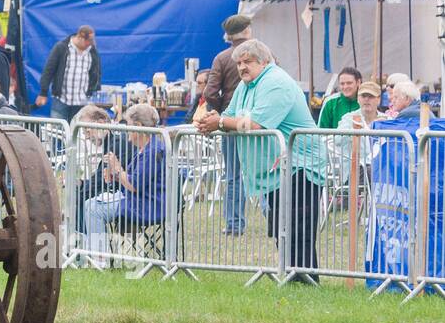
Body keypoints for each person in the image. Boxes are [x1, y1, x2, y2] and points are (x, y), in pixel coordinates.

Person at [196, 39, 326, 280]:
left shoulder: (276, 82)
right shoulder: (246, 86)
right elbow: (232, 116)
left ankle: (307, 280)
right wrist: (214, 121)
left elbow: (256, 124)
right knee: (281, 228)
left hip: (300, 167)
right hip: (277, 169)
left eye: (248, 62)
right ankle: (291, 277)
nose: (242, 67)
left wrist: (222, 123)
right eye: (239, 63)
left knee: (298, 230)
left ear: (264, 62)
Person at [81, 103, 165, 264]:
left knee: (93, 208)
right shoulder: (146, 148)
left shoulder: (152, 151)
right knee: (90, 203)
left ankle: (100, 261)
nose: (125, 129)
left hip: (147, 205)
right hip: (141, 199)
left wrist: (118, 169)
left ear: (139, 126)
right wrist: (115, 174)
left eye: (127, 124)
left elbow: (134, 186)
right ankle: (94, 255)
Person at [203, 14, 253, 235]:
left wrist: (219, 111)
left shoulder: (222, 58)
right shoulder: (262, 55)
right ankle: (273, 219)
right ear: (247, 30)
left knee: (233, 175)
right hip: (259, 120)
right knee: (267, 172)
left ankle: (234, 225)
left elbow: (209, 92)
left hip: (230, 123)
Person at [36, 25, 101, 121]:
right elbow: (48, 70)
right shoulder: (61, 48)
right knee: (57, 132)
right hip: (61, 99)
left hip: (81, 102)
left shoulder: (92, 52)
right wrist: (43, 92)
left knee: (78, 134)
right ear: (80, 37)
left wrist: (92, 91)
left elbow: (96, 73)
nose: (90, 44)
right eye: (88, 42)